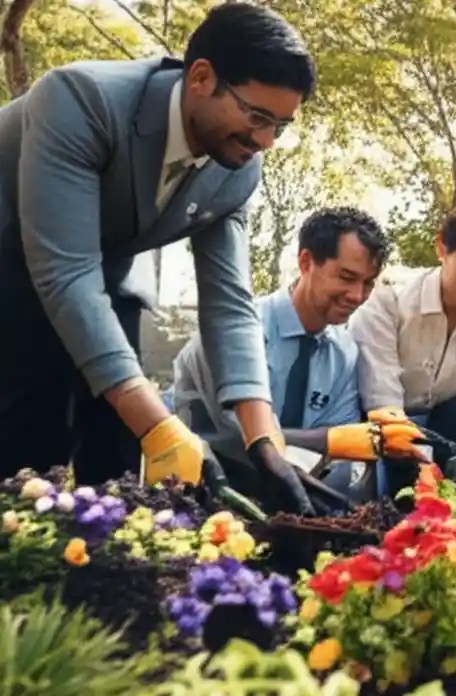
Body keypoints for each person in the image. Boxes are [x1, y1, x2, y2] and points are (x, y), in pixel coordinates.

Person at [0, 5, 320, 512]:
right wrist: (161, 425)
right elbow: (65, 273)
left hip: (102, 280)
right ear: (200, 77)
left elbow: (230, 304)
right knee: (29, 453)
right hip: (12, 268)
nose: (264, 142)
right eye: (256, 116)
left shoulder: (237, 168)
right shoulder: (82, 99)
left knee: (121, 452)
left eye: (279, 125)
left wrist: (265, 442)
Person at [171, 207, 425, 508]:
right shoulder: (234, 332)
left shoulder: (344, 352)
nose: (357, 296)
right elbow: (240, 434)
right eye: (346, 277)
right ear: (306, 262)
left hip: (291, 501)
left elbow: (336, 465)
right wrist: (328, 440)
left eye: (368, 283)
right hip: (206, 492)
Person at [350, 201, 456, 514]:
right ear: (442, 248)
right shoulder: (389, 297)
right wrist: (424, 484)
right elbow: (382, 400)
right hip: (381, 424)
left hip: (443, 426)